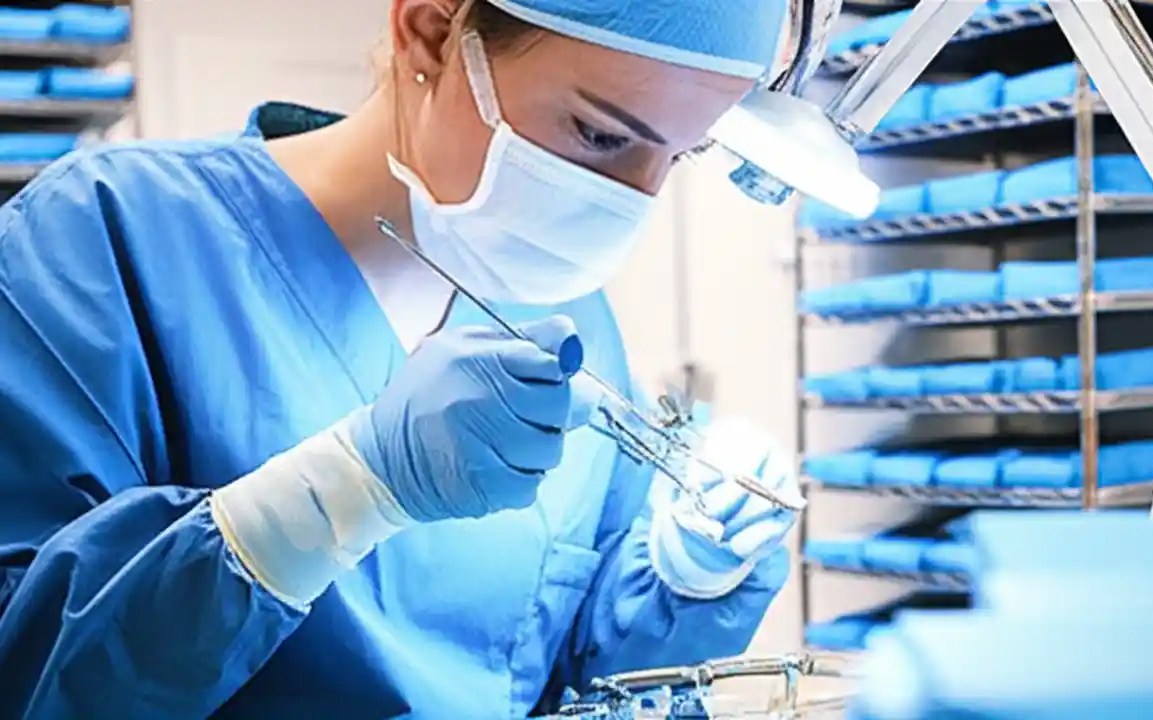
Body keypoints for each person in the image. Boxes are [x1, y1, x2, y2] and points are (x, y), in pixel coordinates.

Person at [0, 0, 803, 717]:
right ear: (428, 31)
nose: (636, 198)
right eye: (599, 134)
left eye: (680, 156)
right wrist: (343, 491)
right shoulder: (112, 240)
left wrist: (680, 574)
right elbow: (32, 680)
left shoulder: (562, 310)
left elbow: (562, 677)